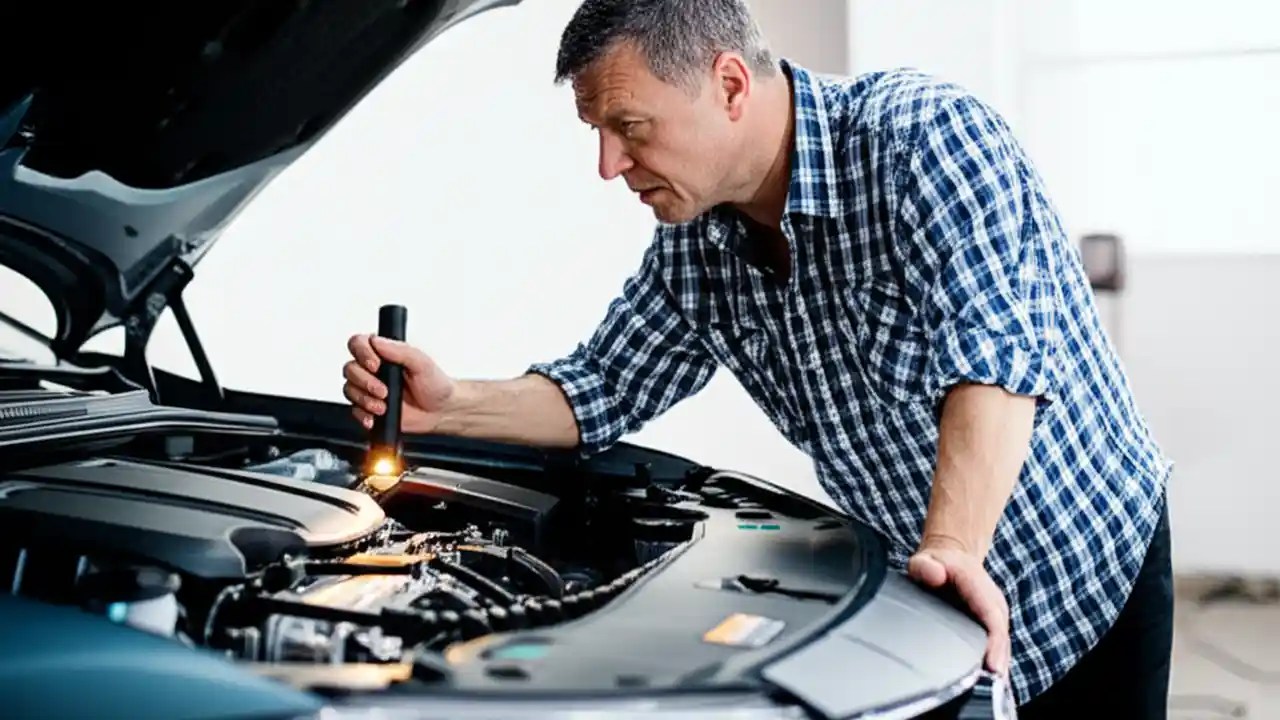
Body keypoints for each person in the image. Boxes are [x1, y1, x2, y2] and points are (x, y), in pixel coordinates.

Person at [342, 0, 1175, 715]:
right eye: (597, 133)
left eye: (629, 127)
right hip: (931, 599)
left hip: (1081, 572)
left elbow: (992, 358)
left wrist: (955, 546)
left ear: (730, 85)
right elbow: (597, 390)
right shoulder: (698, 247)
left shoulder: (921, 138)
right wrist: (448, 407)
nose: (608, 166)